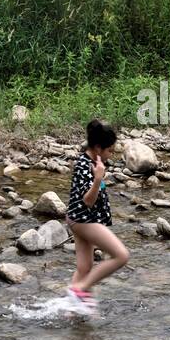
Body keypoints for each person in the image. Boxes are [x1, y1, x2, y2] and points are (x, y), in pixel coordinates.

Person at [65, 118, 130, 314]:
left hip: (78, 218)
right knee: (121, 256)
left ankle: (70, 311)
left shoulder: (93, 161)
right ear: (98, 147)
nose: (112, 155)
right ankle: (80, 291)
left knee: (85, 268)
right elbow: (88, 201)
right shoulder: (86, 166)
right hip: (84, 220)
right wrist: (98, 179)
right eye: (110, 150)